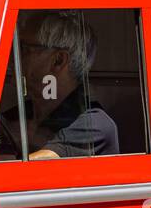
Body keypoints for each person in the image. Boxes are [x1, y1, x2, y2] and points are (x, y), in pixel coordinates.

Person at [16, 11, 119, 160]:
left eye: (24, 49)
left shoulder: (94, 125)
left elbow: (19, 169)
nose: (14, 57)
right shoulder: (17, 115)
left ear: (58, 60)